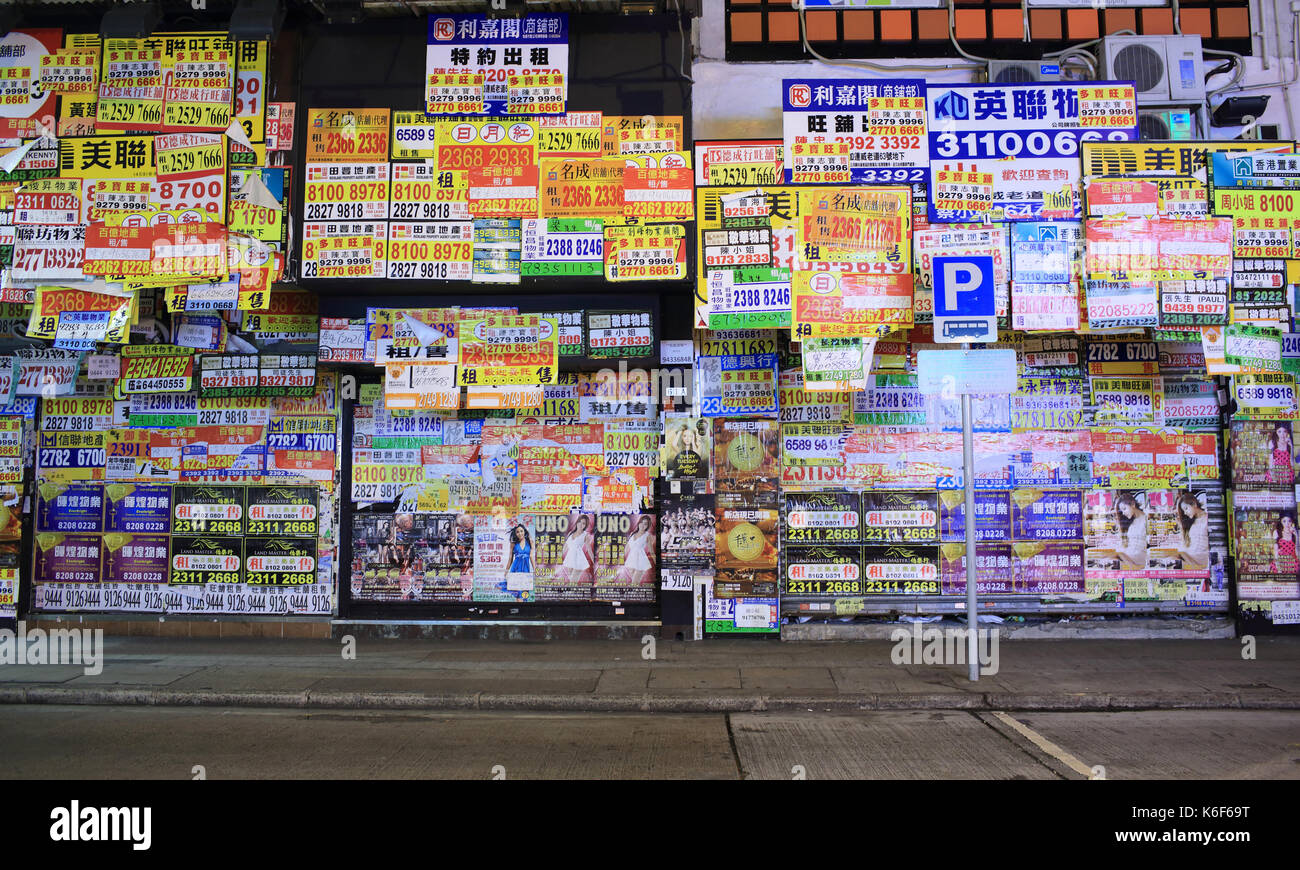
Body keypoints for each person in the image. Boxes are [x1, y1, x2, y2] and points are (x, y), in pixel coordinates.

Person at [1175, 490, 1210, 570]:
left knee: (1170, 560)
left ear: (1194, 504)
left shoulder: (1207, 519)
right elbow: (1186, 543)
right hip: (1189, 556)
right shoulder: (1193, 521)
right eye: (1183, 511)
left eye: (1186, 508)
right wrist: (1181, 526)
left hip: (1198, 560)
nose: (1185, 513)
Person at [617, 515, 656, 584]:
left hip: (641, 561)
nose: (642, 525)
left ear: (648, 526)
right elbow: (627, 547)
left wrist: (656, 563)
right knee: (635, 583)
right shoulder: (632, 534)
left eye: (645, 524)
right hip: (631, 560)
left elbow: (651, 551)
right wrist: (621, 558)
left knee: (634, 583)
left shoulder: (647, 535)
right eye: (641, 522)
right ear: (638, 523)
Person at [1114, 492, 1148, 570]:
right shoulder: (1132, 521)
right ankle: (1135, 568)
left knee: (1113, 555)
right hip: (1130, 554)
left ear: (1133, 504)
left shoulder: (1146, 519)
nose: (1123, 513)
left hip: (1139, 555)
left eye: (1124, 509)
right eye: (1121, 511)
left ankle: (1138, 567)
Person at [558, 514, 595, 583]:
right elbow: (566, 546)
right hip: (570, 558)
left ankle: (571, 593)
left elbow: (589, 550)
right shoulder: (571, 534)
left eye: (583, 523)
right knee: (571, 581)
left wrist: (594, 562)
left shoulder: (585, 535)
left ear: (585, 525)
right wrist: (559, 557)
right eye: (579, 522)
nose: (581, 524)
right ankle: (572, 593)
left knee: (573, 581)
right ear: (577, 522)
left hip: (579, 559)